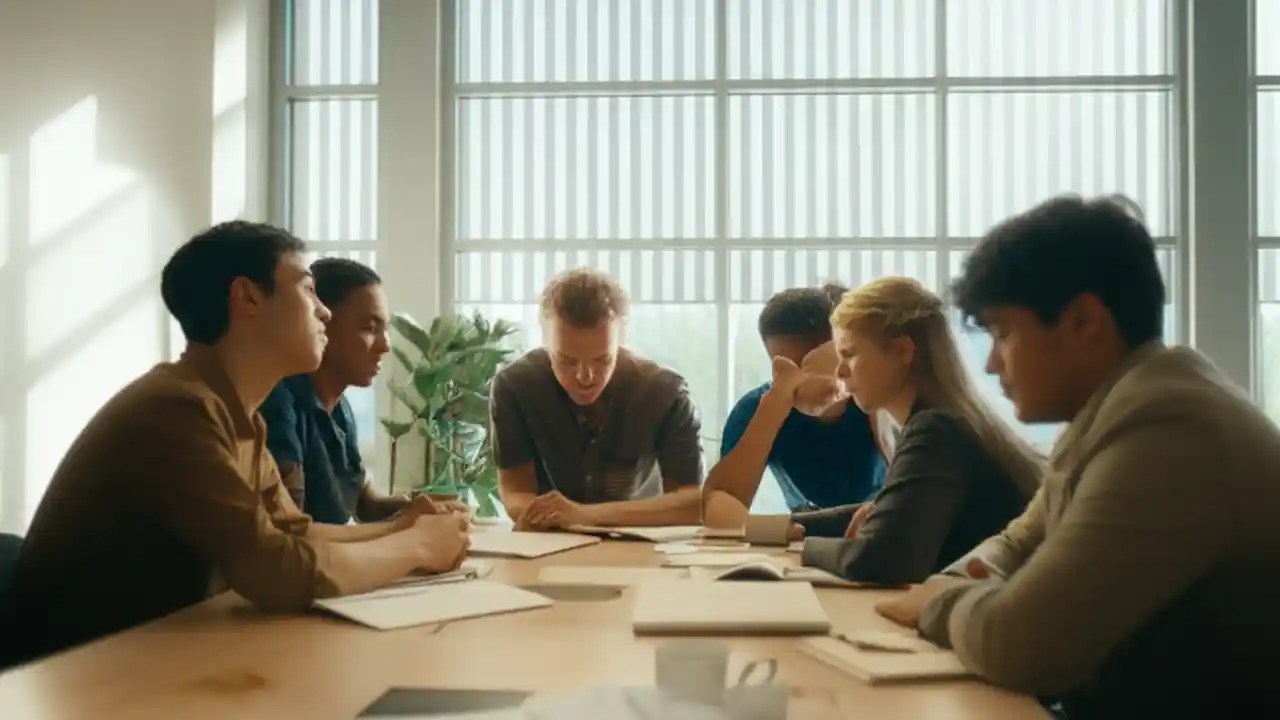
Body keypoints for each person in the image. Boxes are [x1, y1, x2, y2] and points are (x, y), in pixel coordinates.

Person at [875, 195, 1280, 717]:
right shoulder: (1118, 413)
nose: (993, 364)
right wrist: (952, 583)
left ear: (1085, 321)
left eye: (1003, 333)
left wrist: (936, 604)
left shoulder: (1171, 429)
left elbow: (1022, 645)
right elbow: (1017, 543)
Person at [12, 222, 469, 660]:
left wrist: (403, 528)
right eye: (309, 290)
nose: (324, 311)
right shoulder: (175, 411)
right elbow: (277, 573)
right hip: (82, 677)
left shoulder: (238, 414)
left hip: (164, 651)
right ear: (247, 297)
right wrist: (418, 547)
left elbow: (295, 531)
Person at [799, 276, 1042, 585]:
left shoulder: (935, 430)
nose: (840, 371)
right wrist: (780, 528)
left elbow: (883, 560)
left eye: (849, 354)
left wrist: (799, 550)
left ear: (903, 351)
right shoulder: (949, 420)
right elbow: (881, 513)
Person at [491, 268, 703, 529]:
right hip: (550, 542)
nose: (585, 376)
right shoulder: (514, 386)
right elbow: (516, 492)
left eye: (602, 360)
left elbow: (692, 505)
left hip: (639, 544)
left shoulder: (666, 393)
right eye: (566, 360)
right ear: (545, 340)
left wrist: (583, 516)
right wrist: (547, 515)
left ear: (621, 341)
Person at [260, 258, 462, 524]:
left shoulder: (340, 408)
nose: (385, 345)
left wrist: (420, 506)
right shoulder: (278, 403)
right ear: (321, 321)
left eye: (384, 329)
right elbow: (294, 533)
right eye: (369, 328)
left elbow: (365, 504)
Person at [702, 284, 886, 537]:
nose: (797, 380)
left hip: (884, 532)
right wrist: (777, 400)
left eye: (806, 365)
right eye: (781, 367)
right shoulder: (760, 407)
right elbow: (720, 499)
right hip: (805, 539)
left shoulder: (880, 397)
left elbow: (916, 480)